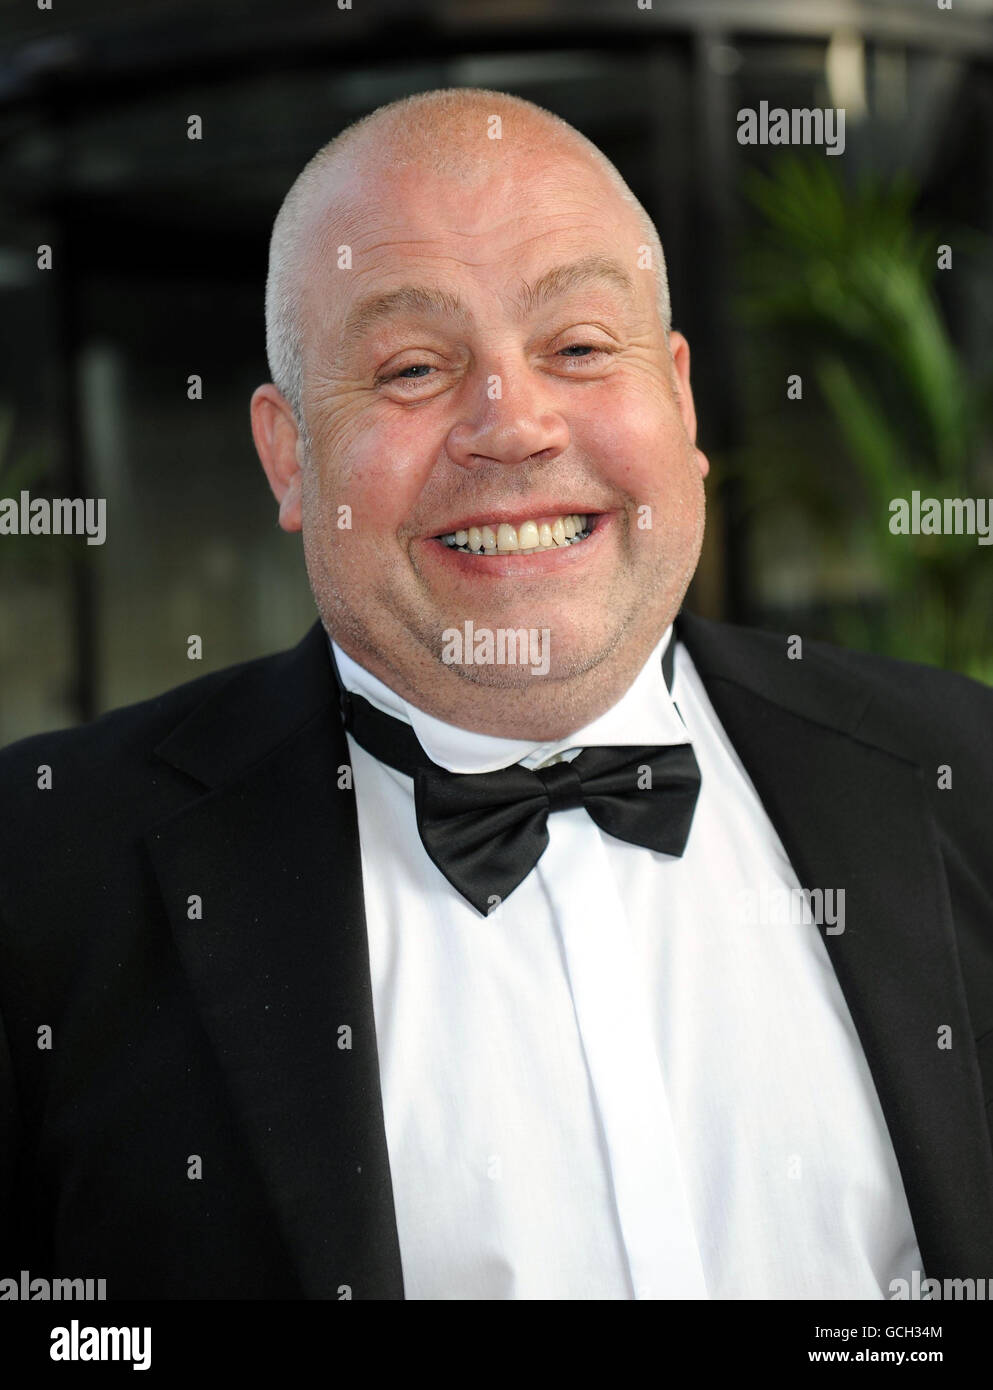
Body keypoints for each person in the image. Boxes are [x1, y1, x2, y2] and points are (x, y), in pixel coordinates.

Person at [1, 87, 992, 1302]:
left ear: (678, 403)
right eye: (414, 367)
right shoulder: (39, 877)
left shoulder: (967, 772)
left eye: (578, 347)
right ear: (288, 453)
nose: (511, 424)